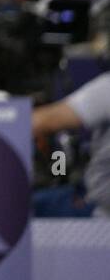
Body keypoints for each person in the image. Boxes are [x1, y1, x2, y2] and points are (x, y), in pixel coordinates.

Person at [32, 71, 110, 218]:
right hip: (80, 185)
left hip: (99, 211)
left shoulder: (107, 88)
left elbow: (39, 122)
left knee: (19, 208)